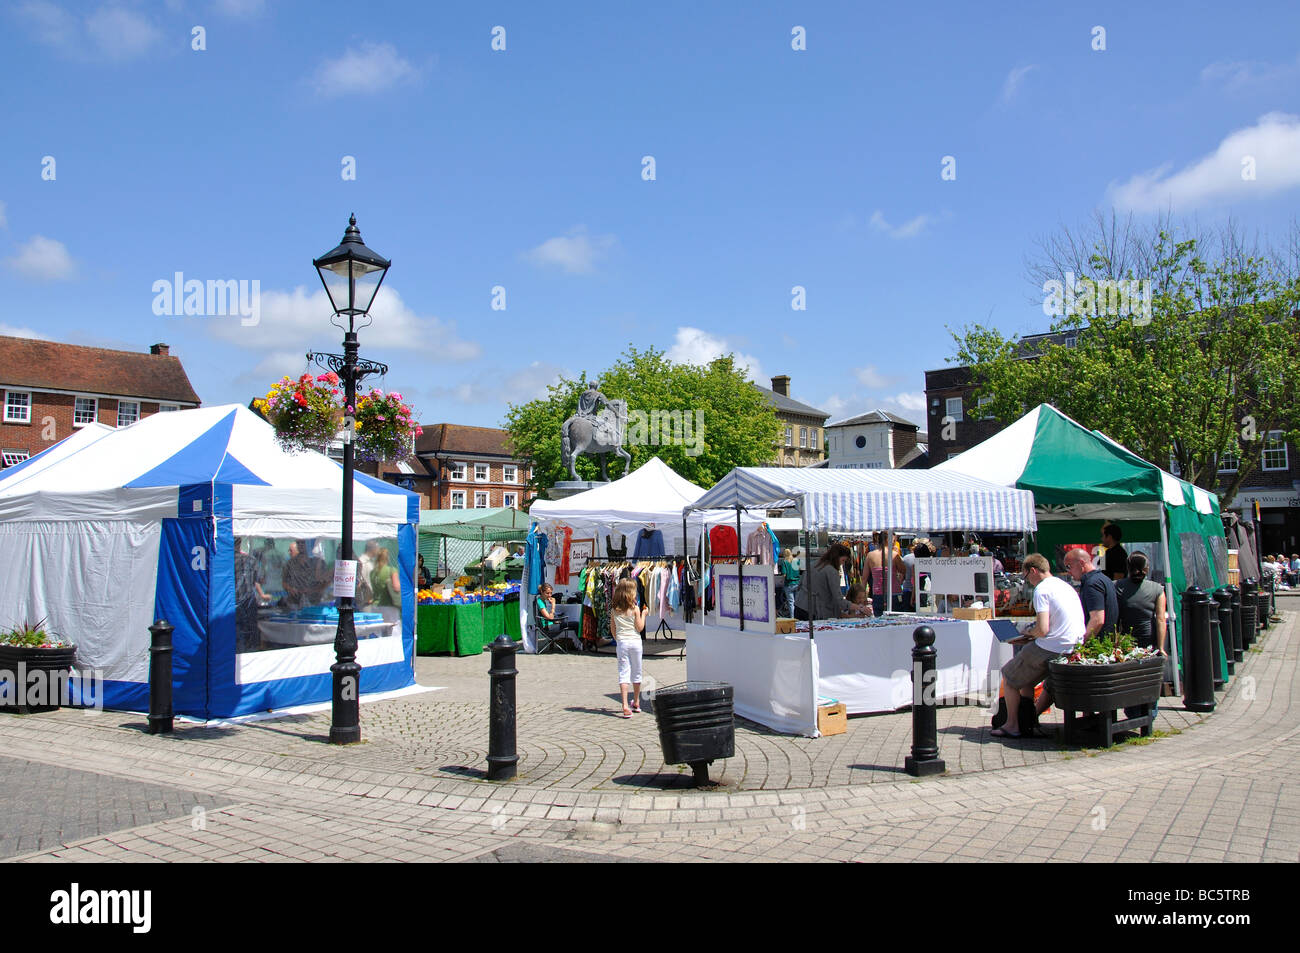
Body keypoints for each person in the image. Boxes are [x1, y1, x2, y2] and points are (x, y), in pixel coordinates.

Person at [992, 553, 1085, 739]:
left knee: (1009, 676)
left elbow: (1042, 629)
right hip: (1072, 646)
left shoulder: (1042, 590)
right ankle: (1028, 722)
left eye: (1026, 577)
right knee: (1026, 680)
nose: (1027, 582)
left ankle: (1012, 725)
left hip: (1053, 646)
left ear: (1033, 571)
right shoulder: (1065, 586)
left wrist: (1026, 634)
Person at [1116, 552, 1168, 721]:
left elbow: (1115, 618)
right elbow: (1160, 619)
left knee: (1129, 680)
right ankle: (1149, 714)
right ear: (1147, 568)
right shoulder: (1157, 589)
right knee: (1149, 678)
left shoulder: (1117, 586)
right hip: (1149, 641)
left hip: (1126, 642)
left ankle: (1132, 714)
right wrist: (1161, 647)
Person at [795, 543, 870, 620]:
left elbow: (800, 584)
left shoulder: (814, 564)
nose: (842, 564)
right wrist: (860, 608)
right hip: (812, 611)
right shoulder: (831, 571)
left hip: (799, 605)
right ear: (836, 557)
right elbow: (839, 599)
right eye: (843, 560)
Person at [609, 578, 647, 718]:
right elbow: (640, 627)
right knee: (637, 671)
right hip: (635, 642)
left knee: (623, 673)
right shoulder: (635, 609)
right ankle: (636, 701)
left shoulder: (614, 610)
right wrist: (644, 615)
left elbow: (613, 629)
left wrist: (618, 639)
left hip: (622, 642)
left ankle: (625, 705)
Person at [1066, 548, 1119, 641]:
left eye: (1069, 566)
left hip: (1098, 646)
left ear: (1081, 563)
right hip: (1106, 644)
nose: (1068, 572)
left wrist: (1082, 644)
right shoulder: (1103, 579)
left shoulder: (1092, 583)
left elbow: (1097, 620)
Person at [234, 537, 269, 652]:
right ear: (240, 543)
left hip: (231, 602)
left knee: (235, 632)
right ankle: (250, 652)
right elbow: (260, 580)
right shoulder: (250, 560)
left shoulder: (224, 561)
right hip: (247, 602)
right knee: (249, 631)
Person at [865, 536, 906, 617]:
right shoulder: (894, 555)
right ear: (888, 540)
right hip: (894, 592)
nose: (895, 542)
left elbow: (864, 578)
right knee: (896, 621)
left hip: (877, 593)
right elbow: (903, 571)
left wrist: (863, 595)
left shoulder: (870, 555)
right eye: (894, 540)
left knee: (879, 621)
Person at [534, 582, 582, 651]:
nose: (550, 595)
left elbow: (548, 618)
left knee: (572, 623)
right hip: (549, 628)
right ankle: (582, 645)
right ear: (542, 592)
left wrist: (555, 621)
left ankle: (579, 644)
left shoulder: (542, 601)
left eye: (551, 593)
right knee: (576, 624)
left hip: (550, 625)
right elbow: (550, 618)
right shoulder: (540, 602)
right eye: (547, 593)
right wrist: (553, 605)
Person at [370, 548, 402, 622]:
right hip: (389, 606)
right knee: (393, 631)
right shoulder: (392, 570)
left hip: (375, 606)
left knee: (378, 631)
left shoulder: (373, 572)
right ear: (387, 557)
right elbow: (396, 587)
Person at [779, 548, 801, 617]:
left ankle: (792, 617)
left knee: (791, 602)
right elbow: (800, 569)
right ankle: (798, 616)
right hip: (797, 583)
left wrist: (782, 580)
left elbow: (784, 574)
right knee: (797, 602)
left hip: (788, 584)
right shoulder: (796, 561)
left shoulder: (784, 562)